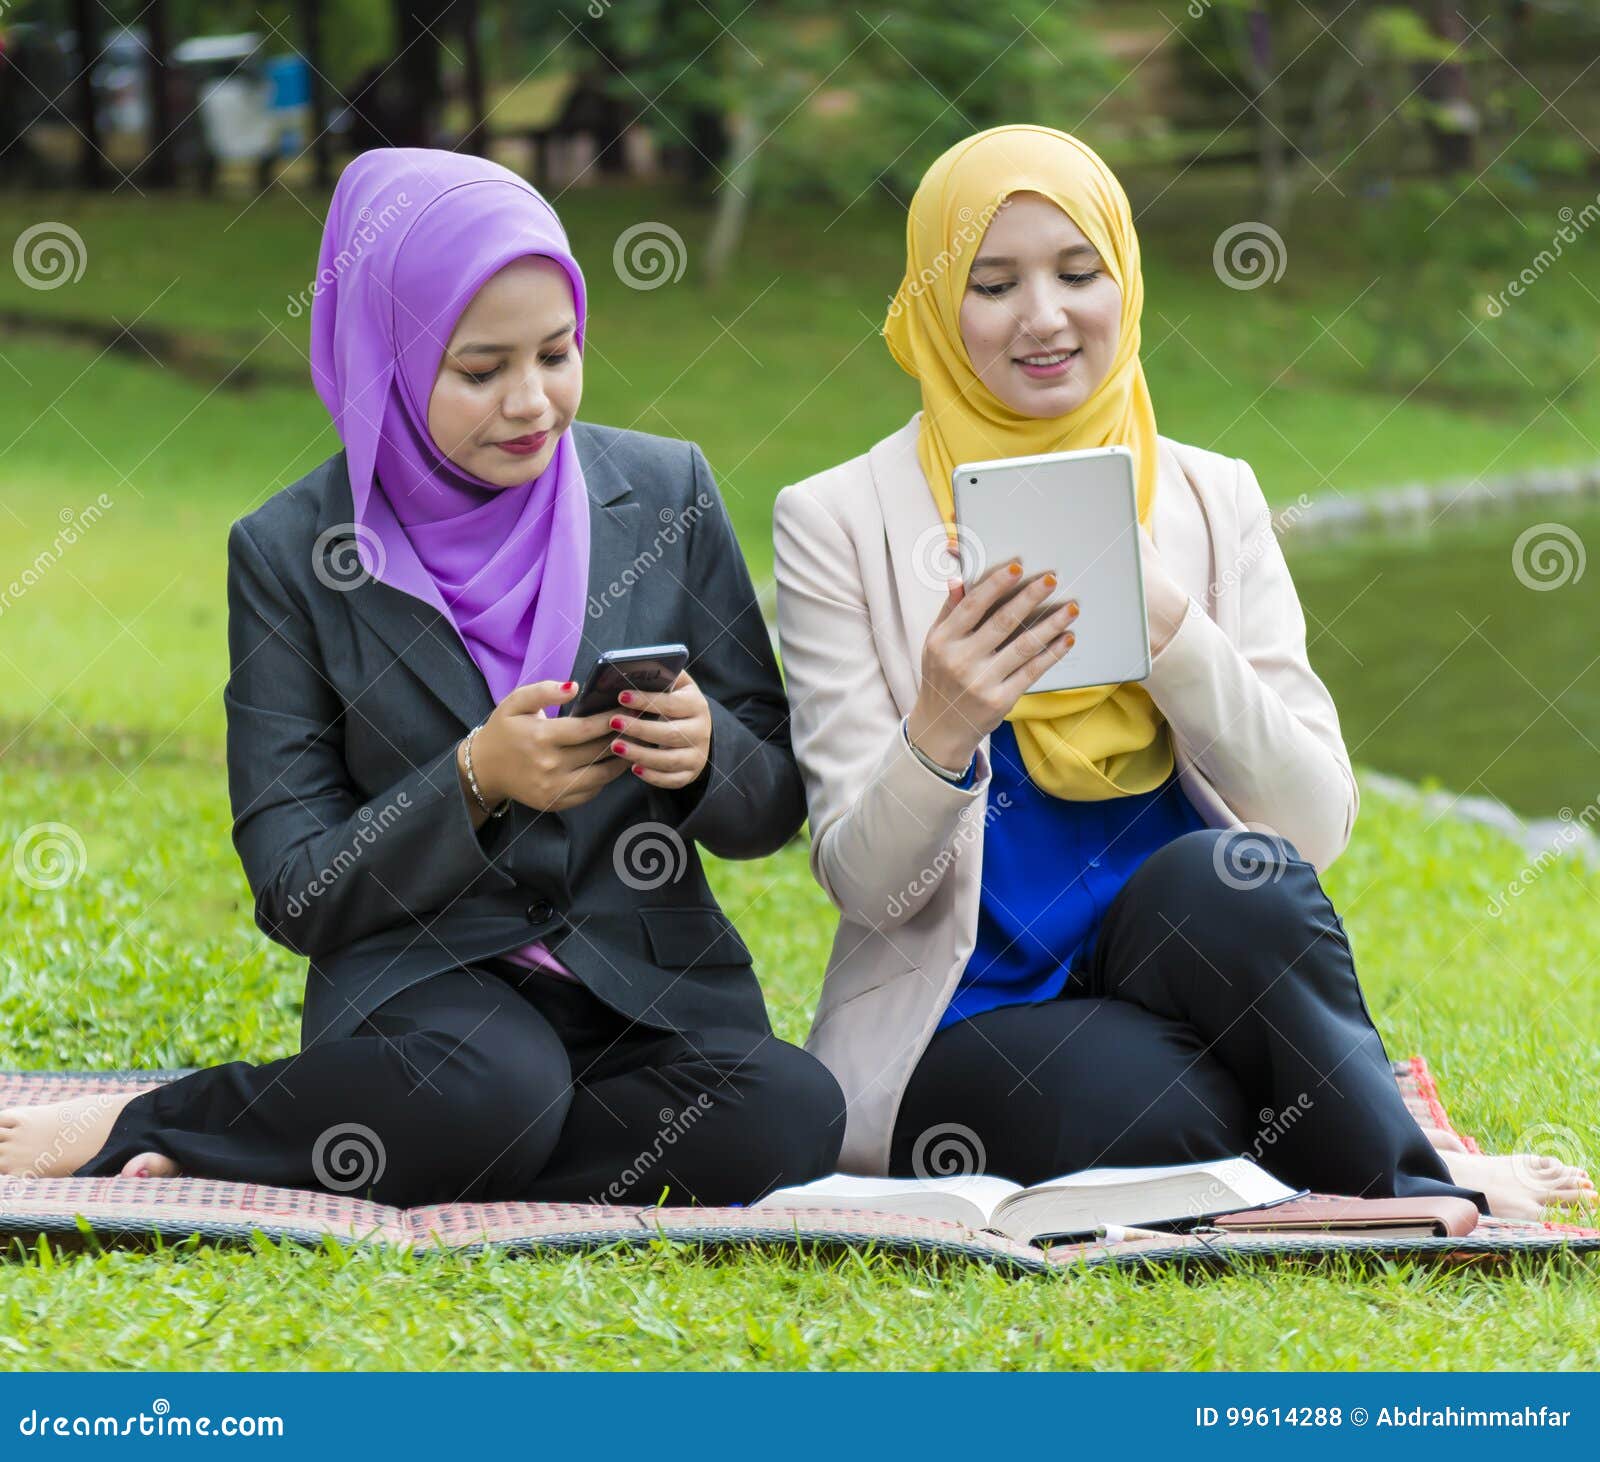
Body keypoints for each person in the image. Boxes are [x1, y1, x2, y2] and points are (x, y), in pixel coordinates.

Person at [771, 124, 1594, 1221]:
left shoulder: (1210, 498)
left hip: (1180, 966)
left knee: (1238, 879)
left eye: (1078, 273)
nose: (1045, 317)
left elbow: (1312, 829)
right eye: (993, 282)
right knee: (1142, 1114)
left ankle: (1392, 1169)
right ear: (931, 303)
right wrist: (944, 725)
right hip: (967, 1020)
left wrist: (1171, 633)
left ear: (1127, 280)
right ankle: (1372, 1139)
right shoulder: (840, 521)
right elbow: (863, 883)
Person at [0, 147, 844, 1207]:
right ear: (385, 360)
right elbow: (293, 882)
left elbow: (769, 804)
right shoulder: (290, 553)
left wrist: (710, 751)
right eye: (480, 371)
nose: (532, 402)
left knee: (793, 1111)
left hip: (643, 998)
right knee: (490, 1085)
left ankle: (343, 1136)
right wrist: (474, 777)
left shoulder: (665, 491)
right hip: (426, 997)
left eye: (557, 352)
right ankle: (159, 1117)